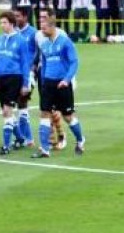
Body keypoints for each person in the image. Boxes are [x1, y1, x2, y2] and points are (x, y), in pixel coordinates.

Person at [33, 8, 86, 157]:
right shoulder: (44, 44)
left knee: (68, 116)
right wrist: (42, 81)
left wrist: (66, 80)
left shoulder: (65, 42)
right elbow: (43, 62)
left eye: (44, 28)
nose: (42, 31)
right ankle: (45, 149)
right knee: (44, 113)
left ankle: (80, 139)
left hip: (62, 84)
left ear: (52, 26)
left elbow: (74, 62)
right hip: (48, 84)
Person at [0, 12, 30, 156]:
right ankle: (20, 138)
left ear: (11, 23)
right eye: (0, 23)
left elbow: (25, 63)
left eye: (4, 22)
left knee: (7, 111)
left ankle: (6, 146)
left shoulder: (21, 40)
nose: (2, 25)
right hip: (1, 78)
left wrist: (26, 83)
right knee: (6, 112)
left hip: (14, 78)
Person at [13, 9, 38, 150]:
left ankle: (27, 138)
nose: (15, 18)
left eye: (18, 16)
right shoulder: (13, 32)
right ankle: (24, 137)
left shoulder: (33, 33)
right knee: (19, 105)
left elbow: (38, 52)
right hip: (14, 73)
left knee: (22, 104)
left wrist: (33, 68)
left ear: (25, 17)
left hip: (27, 74)